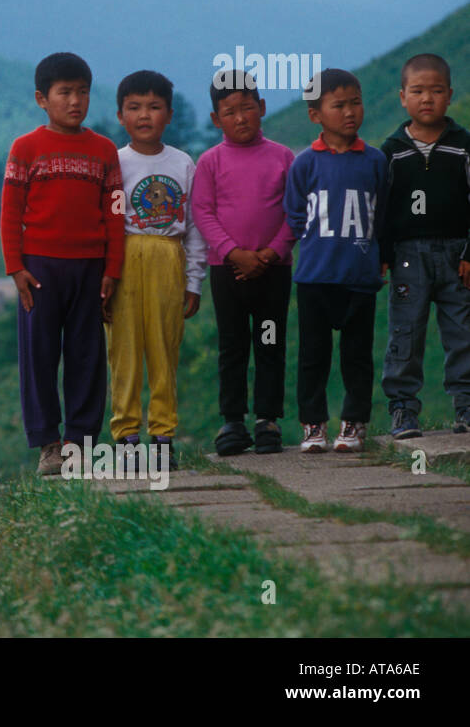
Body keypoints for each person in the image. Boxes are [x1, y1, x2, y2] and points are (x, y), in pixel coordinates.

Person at [0, 52, 125, 476]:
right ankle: (48, 444)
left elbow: (115, 214)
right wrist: (15, 267)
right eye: (65, 92)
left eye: (83, 92)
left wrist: (113, 269)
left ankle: (81, 443)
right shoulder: (26, 148)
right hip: (39, 270)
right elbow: (10, 212)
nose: (76, 101)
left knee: (87, 356)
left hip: (90, 269)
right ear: (42, 98)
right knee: (39, 356)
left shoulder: (104, 150)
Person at [284, 68, 389, 452]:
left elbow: (382, 214)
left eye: (355, 103)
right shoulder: (305, 164)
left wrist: (379, 255)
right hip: (315, 277)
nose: (350, 112)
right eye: (338, 105)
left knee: (357, 356)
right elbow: (295, 214)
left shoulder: (375, 161)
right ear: (316, 114)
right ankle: (313, 425)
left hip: (359, 276)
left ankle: (354, 422)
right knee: (313, 356)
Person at [105, 70, 206, 470]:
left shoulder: (183, 163)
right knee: (123, 351)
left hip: (168, 256)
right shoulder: (114, 162)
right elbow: (106, 219)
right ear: (120, 115)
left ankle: (163, 436)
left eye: (154, 107)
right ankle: (126, 436)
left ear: (169, 114)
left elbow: (196, 226)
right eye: (134, 107)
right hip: (124, 257)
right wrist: (105, 274)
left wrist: (194, 279)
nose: (144, 115)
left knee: (165, 350)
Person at [192, 70, 296, 455]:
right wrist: (234, 252)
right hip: (227, 272)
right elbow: (203, 212)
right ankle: (232, 421)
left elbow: (294, 213)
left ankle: (268, 420)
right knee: (232, 345)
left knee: (269, 340)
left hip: (273, 271)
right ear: (216, 119)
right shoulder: (210, 162)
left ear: (262, 108)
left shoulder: (283, 157)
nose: (240, 118)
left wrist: (270, 253)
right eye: (230, 111)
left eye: (247, 108)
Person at [378, 53, 470, 437]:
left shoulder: (464, 146)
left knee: (462, 331)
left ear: (449, 95)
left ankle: (466, 406)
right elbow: (380, 209)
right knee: (405, 332)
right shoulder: (392, 151)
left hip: (457, 254)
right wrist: (382, 256)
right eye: (417, 91)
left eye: (435, 91)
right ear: (403, 97)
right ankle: (403, 408)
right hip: (407, 256)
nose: (426, 99)